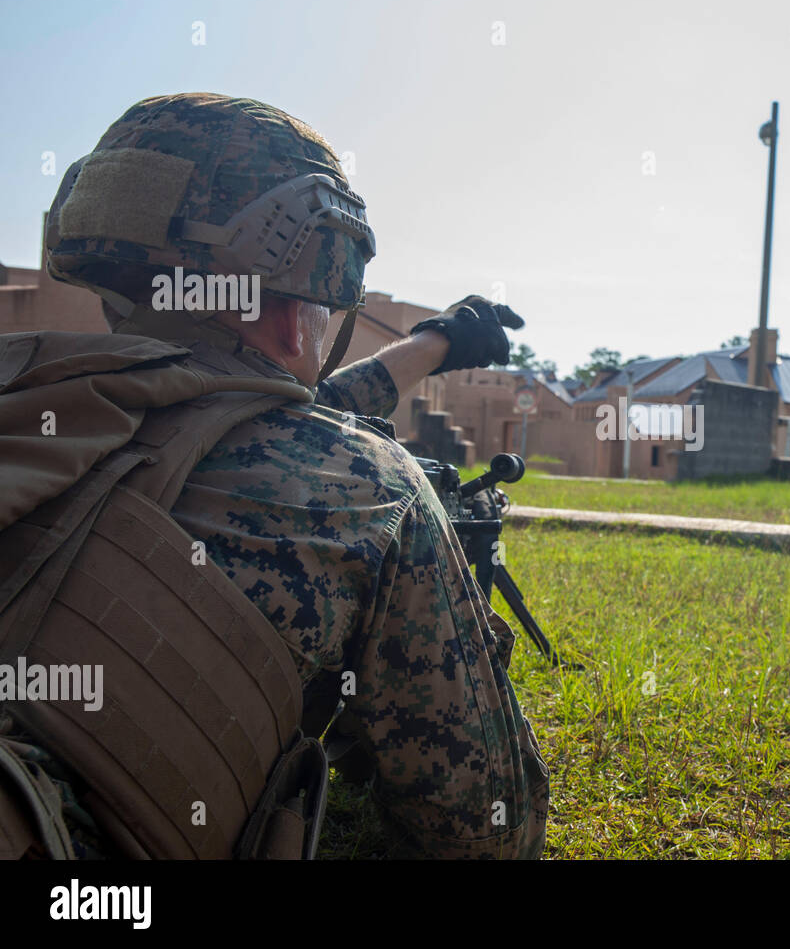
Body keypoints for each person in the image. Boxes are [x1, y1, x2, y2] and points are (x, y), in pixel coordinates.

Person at [0, 92, 548, 859]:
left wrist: (434, 343)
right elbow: (491, 832)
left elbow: (230, 411)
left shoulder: (39, 405)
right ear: (302, 310)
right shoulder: (369, 489)